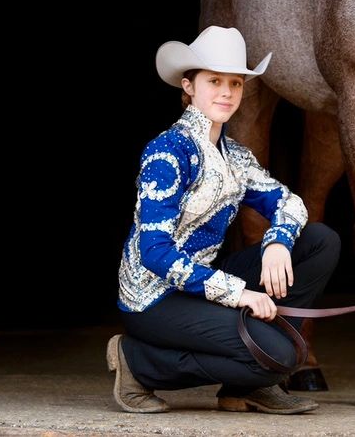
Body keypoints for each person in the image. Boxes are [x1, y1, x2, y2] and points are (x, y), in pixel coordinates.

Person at [107, 25, 340, 415]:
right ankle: (138, 363)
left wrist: (278, 241)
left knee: (319, 241)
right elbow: (154, 252)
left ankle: (247, 385)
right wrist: (240, 293)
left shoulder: (235, 157)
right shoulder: (168, 152)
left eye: (235, 82)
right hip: (154, 297)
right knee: (282, 355)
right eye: (214, 81)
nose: (227, 92)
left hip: (202, 281)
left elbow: (291, 203)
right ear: (189, 86)